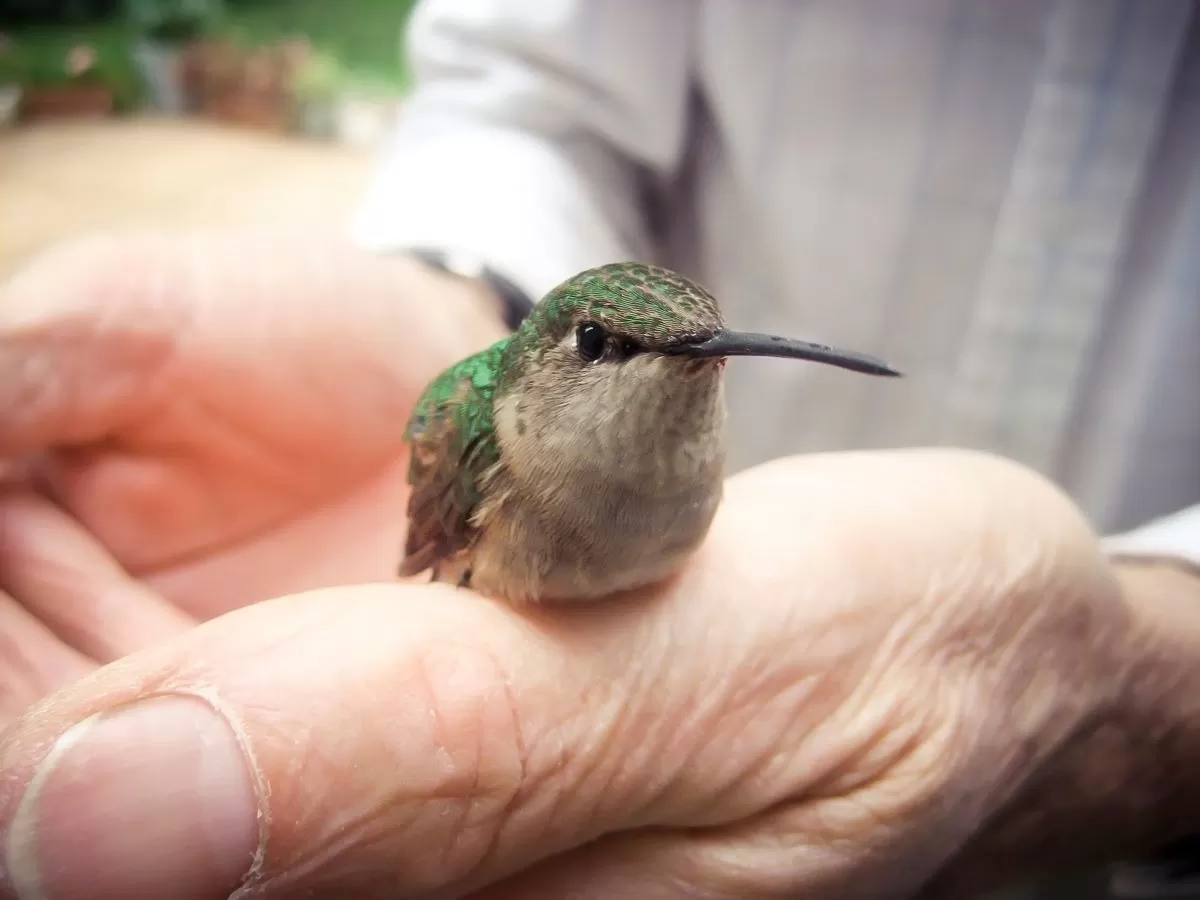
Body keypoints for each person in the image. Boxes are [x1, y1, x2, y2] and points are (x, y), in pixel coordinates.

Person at [0, 1, 1198, 898]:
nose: (699, 366)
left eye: (706, 353)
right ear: (544, 363)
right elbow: (531, 105)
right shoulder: (489, 435)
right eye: (606, 345)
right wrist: (460, 277)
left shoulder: (696, 429)